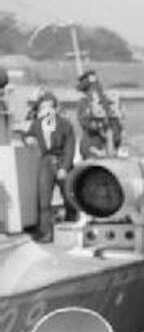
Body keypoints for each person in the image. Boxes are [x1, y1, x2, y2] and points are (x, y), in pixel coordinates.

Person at [21, 89, 77, 242]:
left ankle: (72, 226)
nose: (46, 110)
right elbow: (27, 134)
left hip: (61, 159)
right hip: (46, 161)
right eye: (43, 107)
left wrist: (65, 168)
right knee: (44, 198)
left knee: (69, 196)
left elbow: (70, 148)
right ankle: (45, 232)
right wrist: (27, 140)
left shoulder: (65, 124)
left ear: (55, 108)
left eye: (49, 107)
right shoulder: (37, 124)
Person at [75, 68, 125, 156]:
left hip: (108, 143)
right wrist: (102, 126)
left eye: (96, 86)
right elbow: (85, 122)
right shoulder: (83, 103)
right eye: (92, 87)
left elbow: (116, 122)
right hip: (92, 145)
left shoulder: (108, 101)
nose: (95, 89)